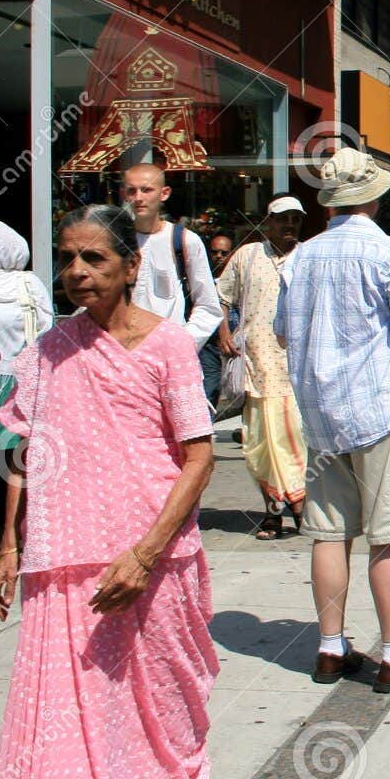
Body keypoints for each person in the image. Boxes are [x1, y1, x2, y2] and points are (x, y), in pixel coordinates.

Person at [0, 205, 216, 779]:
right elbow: (29, 454)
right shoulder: (49, 350)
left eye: (96, 259)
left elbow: (199, 458)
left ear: (131, 266)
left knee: (160, 702)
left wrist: (144, 554)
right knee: (75, 712)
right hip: (64, 563)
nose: (78, 272)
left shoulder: (169, 344)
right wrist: (7, 546)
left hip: (155, 555)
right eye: (69, 258)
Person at [275, 147, 390, 694]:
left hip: (321, 413)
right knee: (388, 535)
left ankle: (330, 646)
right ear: (374, 196)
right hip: (380, 407)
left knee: (328, 533)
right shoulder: (389, 252)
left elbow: (283, 331)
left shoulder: (300, 257)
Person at [217, 195, 307, 539]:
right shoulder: (248, 256)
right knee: (257, 445)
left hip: (294, 371)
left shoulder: (307, 257)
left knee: (292, 441)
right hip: (254, 365)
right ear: (267, 222)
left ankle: (297, 504)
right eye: (283, 220)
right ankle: (275, 511)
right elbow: (221, 296)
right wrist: (224, 331)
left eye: (296, 221)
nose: (289, 226)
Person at [0, 223, 50, 561]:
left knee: (14, 462)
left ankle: (19, 536)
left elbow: (45, 327)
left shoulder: (27, 284)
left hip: (17, 381)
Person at [121, 163, 223, 358]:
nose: (139, 197)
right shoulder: (115, 240)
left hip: (170, 358)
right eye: (132, 191)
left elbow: (208, 306)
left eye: (147, 190)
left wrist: (182, 345)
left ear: (164, 193)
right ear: (124, 194)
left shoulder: (184, 240)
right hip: (124, 357)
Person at [199, 232, 235, 405]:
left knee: (242, 390)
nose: (219, 256)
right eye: (215, 252)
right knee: (208, 391)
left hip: (235, 345)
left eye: (224, 253)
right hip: (209, 347)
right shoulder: (200, 281)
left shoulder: (239, 280)